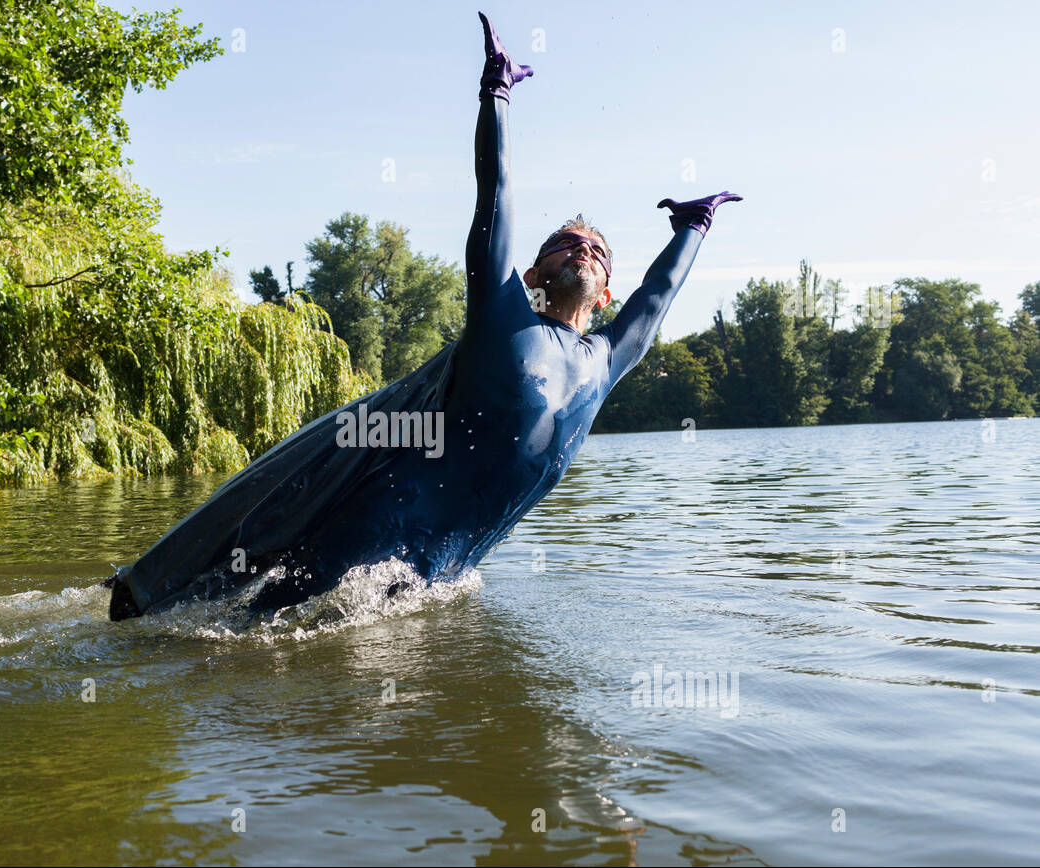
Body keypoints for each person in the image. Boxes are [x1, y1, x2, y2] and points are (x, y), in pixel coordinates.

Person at [104, 12, 741, 621]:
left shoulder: (605, 363)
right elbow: (493, 194)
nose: (583, 251)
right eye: (564, 242)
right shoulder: (502, 317)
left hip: (428, 581)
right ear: (529, 273)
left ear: (605, 295)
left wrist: (694, 226)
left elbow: (655, 300)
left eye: (598, 252)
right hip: (354, 558)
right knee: (252, 641)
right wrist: (496, 95)